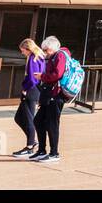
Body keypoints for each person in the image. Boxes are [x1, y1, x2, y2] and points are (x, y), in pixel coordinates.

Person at [30, 36, 72, 164]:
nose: (45, 52)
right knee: (38, 120)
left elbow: (57, 74)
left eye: (46, 49)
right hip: (50, 93)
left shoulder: (60, 56)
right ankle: (42, 150)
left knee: (52, 123)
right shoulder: (56, 56)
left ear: (53, 48)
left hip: (56, 94)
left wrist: (42, 76)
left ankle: (54, 153)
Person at [11, 38, 44, 158]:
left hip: (31, 91)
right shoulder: (40, 57)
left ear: (28, 49)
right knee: (19, 117)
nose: (22, 53)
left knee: (28, 118)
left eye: (22, 50)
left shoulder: (33, 58)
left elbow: (33, 78)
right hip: (35, 90)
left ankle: (30, 146)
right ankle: (32, 141)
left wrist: (25, 89)